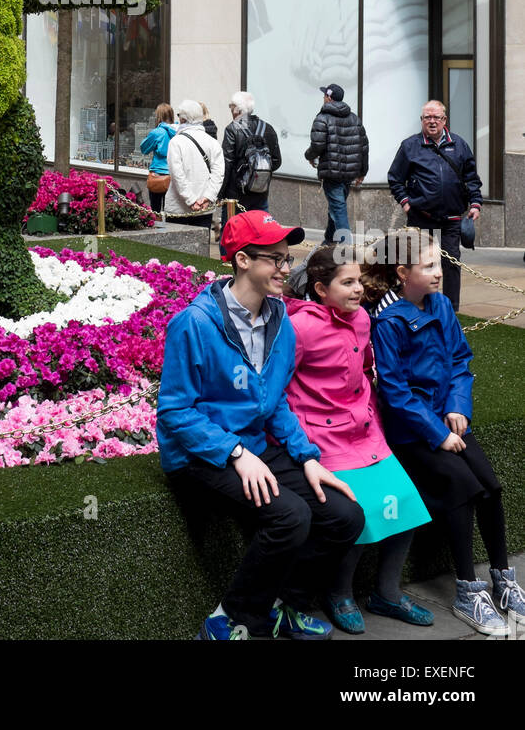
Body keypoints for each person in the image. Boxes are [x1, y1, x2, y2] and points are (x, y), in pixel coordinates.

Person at [158, 210, 364, 640]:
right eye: (275, 259)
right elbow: (175, 414)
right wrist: (235, 454)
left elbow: (274, 402)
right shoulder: (193, 323)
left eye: (287, 259)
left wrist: (307, 458)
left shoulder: (279, 320)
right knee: (290, 516)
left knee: (345, 516)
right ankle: (228, 621)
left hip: (254, 445)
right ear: (242, 260)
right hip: (201, 455)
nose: (285, 269)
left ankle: (282, 607)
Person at [368, 228, 525, 635]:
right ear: (402, 272)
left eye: (440, 264)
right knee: (461, 487)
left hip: (447, 420)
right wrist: (437, 433)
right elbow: (395, 392)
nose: (440, 272)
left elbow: (460, 359)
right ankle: (467, 591)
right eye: (430, 266)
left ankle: (503, 579)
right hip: (414, 433)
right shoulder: (388, 320)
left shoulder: (439, 304)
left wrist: (458, 406)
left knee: (490, 486)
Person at [284, 245, 433, 633]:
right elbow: (277, 388)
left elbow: (365, 377)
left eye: (358, 282)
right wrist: (300, 442)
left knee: (406, 503)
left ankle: (387, 593)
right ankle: (339, 594)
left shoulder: (364, 318)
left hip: (367, 433)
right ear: (320, 288)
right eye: (346, 283)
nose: (357, 290)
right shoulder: (298, 327)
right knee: (358, 513)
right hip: (322, 440)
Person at [387, 100, 481, 311]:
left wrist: (475, 203)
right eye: (427, 117)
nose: (431, 121)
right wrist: (406, 204)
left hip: (451, 219)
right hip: (421, 216)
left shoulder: (460, 145)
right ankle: (416, 304)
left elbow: (471, 178)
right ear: (422, 121)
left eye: (435, 117)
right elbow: (395, 178)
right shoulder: (410, 146)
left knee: (451, 263)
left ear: (444, 120)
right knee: (417, 263)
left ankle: (451, 309)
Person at [305, 83, 368, 246]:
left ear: (329, 98)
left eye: (325, 95)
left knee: (338, 209)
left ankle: (346, 250)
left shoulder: (322, 118)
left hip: (332, 173)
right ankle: (329, 240)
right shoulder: (354, 118)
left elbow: (317, 145)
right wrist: (362, 171)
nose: (323, 98)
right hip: (349, 173)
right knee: (336, 205)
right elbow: (364, 147)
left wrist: (309, 155)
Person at [220, 91, 281, 223]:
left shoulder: (232, 129)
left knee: (231, 235)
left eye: (231, 106)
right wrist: (257, 175)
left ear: (237, 109)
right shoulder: (268, 128)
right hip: (261, 192)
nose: (230, 109)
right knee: (261, 232)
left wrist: (221, 193)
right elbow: (276, 161)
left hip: (236, 194)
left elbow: (227, 164)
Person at [164, 100, 224, 231]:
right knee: (200, 249)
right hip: (204, 208)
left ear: (183, 118)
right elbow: (218, 174)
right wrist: (207, 197)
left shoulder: (176, 142)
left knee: (175, 248)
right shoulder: (212, 142)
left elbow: (177, 175)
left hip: (178, 208)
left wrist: (191, 200)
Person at [140, 103, 179, 214]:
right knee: (172, 212)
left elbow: (144, 148)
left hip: (157, 176)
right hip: (174, 175)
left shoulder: (157, 132)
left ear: (158, 116)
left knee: (155, 211)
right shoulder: (179, 131)